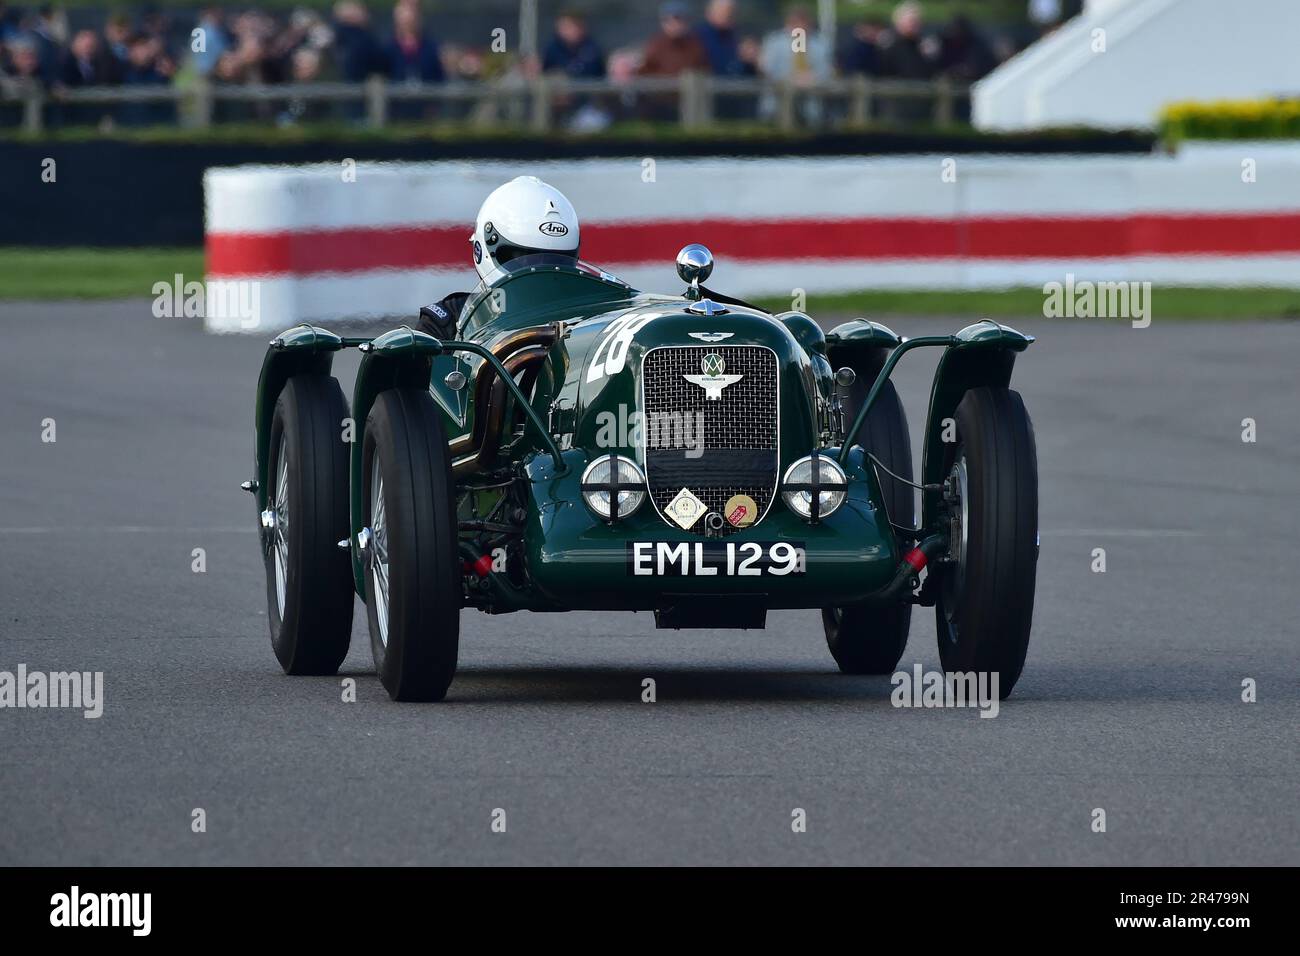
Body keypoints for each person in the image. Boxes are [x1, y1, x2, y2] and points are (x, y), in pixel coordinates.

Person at [417, 176, 581, 339]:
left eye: (558, 262)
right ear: (485, 246)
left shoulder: (592, 315)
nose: (542, 274)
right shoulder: (450, 321)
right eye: (525, 260)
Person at [541, 11, 604, 78]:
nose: (564, 31)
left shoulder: (592, 48)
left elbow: (596, 73)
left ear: (580, 28)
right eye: (561, 28)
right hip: (560, 87)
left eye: (568, 27)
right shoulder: (552, 49)